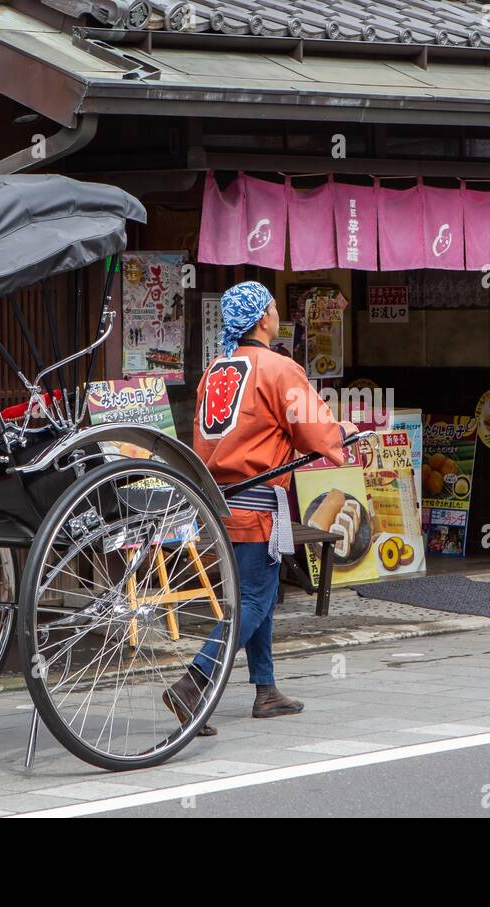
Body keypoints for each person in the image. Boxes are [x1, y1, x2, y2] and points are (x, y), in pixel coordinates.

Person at [164, 281, 355, 736]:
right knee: (254, 598)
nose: (276, 312)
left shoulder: (216, 368)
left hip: (217, 501)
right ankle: (194, 682)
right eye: (272, 306)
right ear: (263, 318)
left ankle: (266, 689)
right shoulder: (277, 368)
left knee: (257, 595)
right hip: (256, 504)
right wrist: (340, 431)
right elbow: (313, 429)